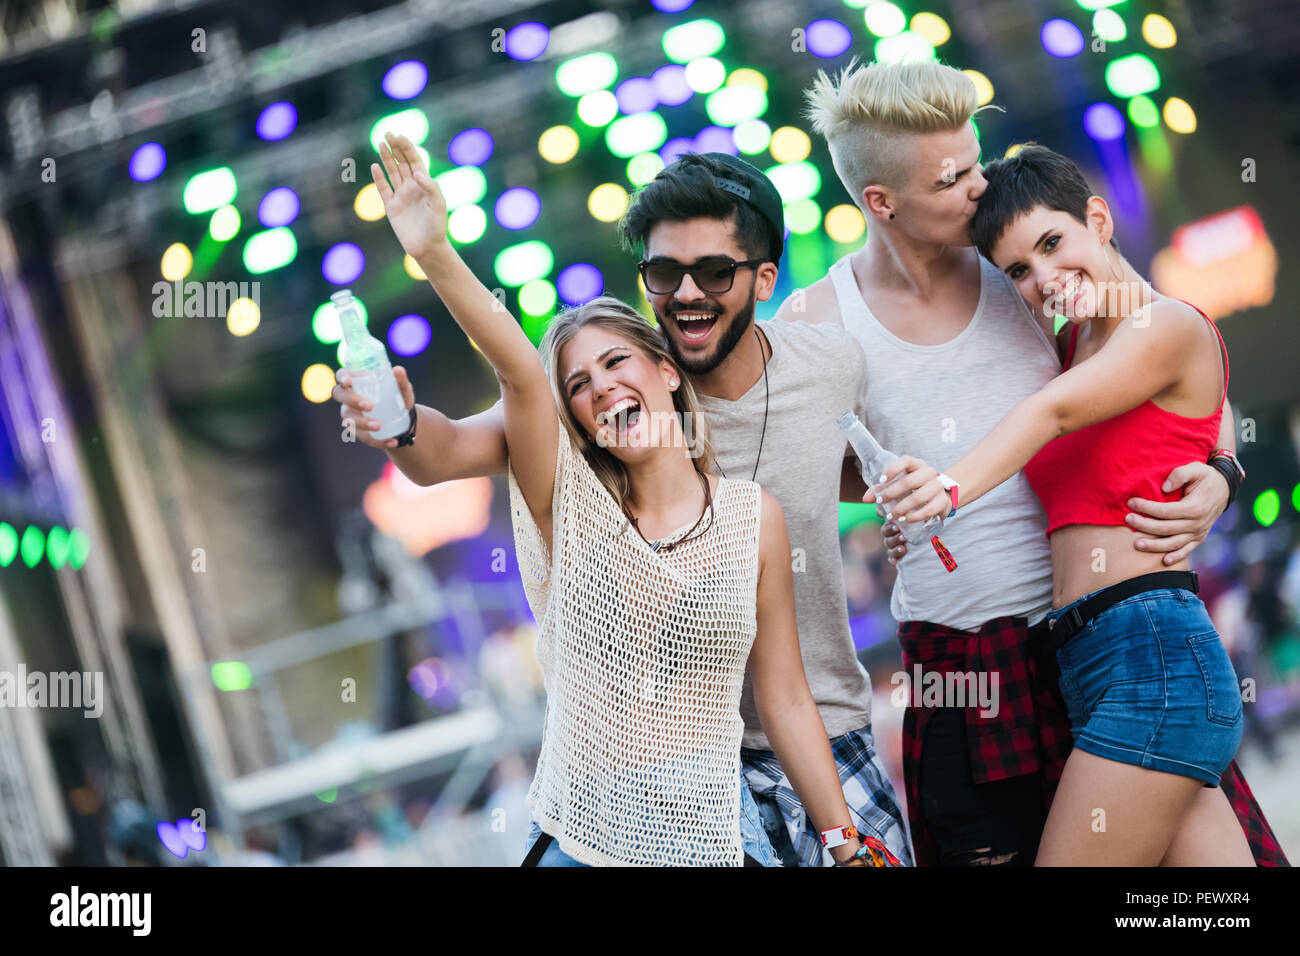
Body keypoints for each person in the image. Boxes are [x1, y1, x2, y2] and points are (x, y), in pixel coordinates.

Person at [335, 148, 915, 867]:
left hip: (775, 770)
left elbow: (788, 691)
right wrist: (431, 260)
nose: (602, 388)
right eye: (578, 384)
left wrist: (843, 842)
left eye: (616, 365)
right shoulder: (572, 503)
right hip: (595, 828)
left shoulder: (754, 503)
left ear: (665, 373)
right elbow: (494, 395)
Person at [791, 59, 1287, 866]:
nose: (980, 188)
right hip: (968, 665)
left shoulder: (1022, 262)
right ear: (880, 201)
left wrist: (1224, 471)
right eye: (952, 177)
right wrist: (894, 491)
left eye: (976, 160)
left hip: (1115, 638)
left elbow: (1176, 356)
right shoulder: (819, 319)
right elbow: (806, 465)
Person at [876, 144, 1256, 865]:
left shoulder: (1163, 323)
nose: (1044, 277)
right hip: (1087, 659)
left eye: (1053, 244)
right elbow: (1199, 413)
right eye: (1018, 269)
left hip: (1152, 655)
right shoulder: (1074, 342)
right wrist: (1223, 466)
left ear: (1099, 220)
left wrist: (947, 491)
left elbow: (1048, 415)